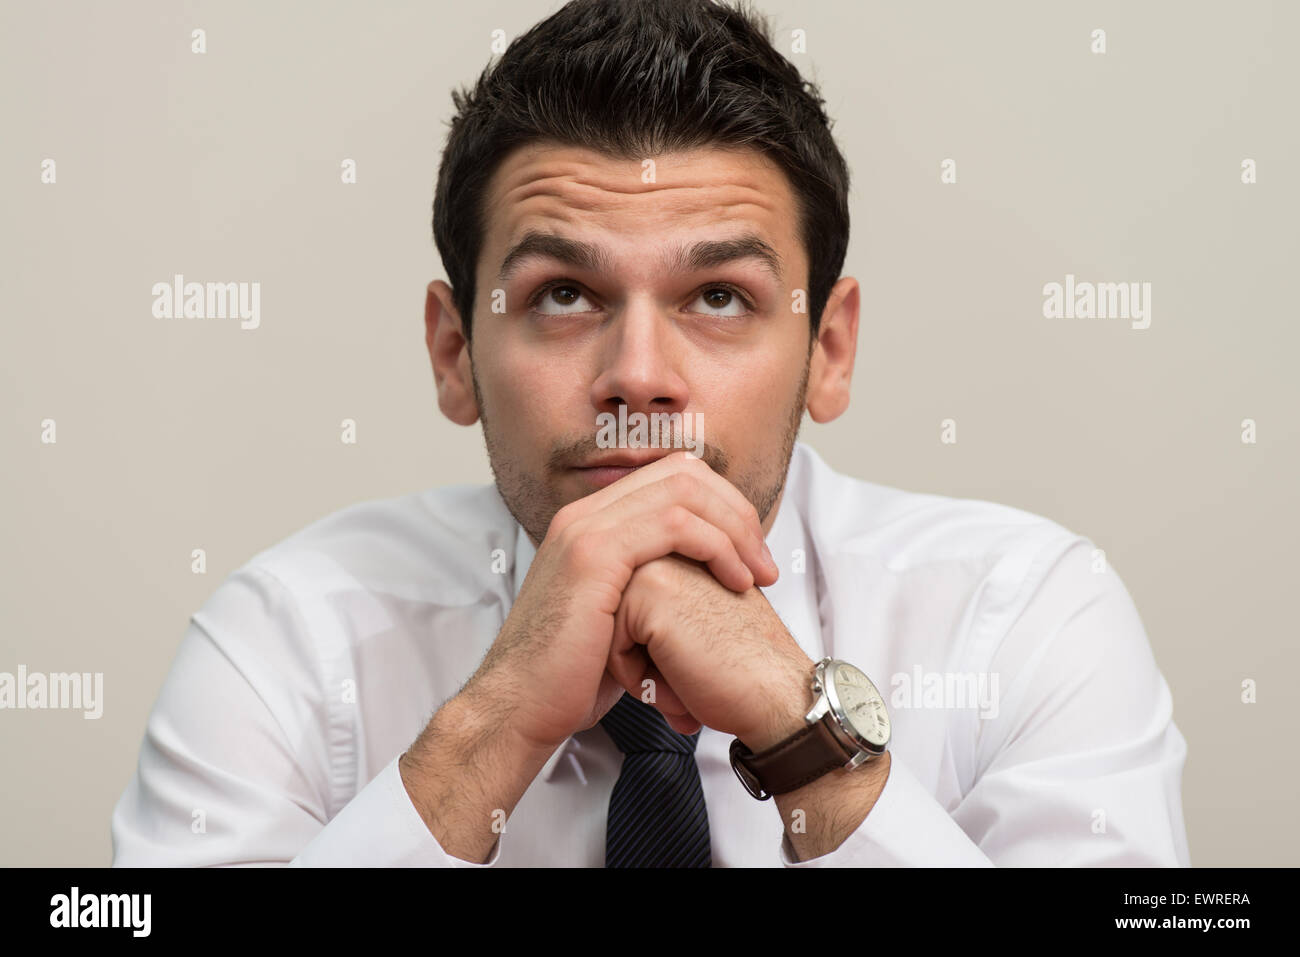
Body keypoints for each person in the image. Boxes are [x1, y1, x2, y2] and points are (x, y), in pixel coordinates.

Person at [111, 0, 1189, 867]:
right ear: (454, 353)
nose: (637, 375)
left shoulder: (1027, 619)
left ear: (829, 350)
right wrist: (484, 734)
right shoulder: (284, 643)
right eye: (564, 294)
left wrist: (810, 744)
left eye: (718, 297)